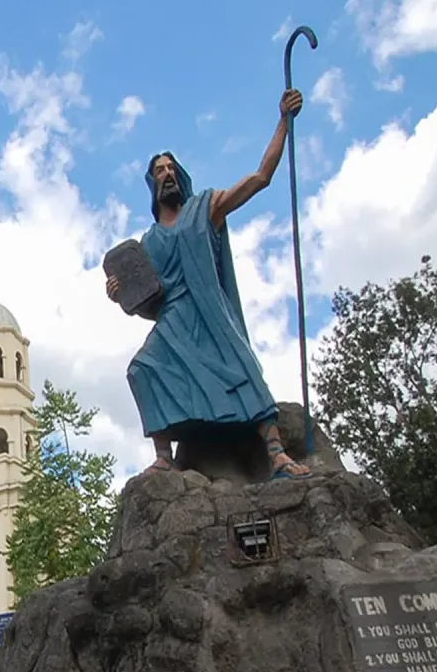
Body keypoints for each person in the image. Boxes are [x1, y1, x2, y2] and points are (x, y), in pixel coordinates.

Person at [107, 87, 312, 480]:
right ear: (152, 185)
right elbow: (150, 302)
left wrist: (283, 123)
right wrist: (122, 297)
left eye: (169, 168)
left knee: (239, 365)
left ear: (179, 175)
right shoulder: (148, 242)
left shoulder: (206, 207)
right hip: (173, 319)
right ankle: (165, 455)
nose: (165, 174)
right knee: (141, 369)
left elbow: (260, 178)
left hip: (208, 312)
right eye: (158, 172)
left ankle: (276, 453)